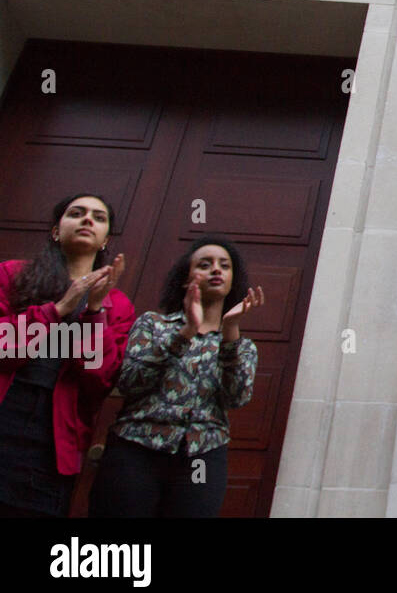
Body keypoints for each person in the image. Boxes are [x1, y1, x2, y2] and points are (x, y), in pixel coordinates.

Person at [89, 237, 261, 517]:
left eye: (224, 266)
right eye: (205, 265)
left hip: (202, 456)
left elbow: (236, 397)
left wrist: (230, 332)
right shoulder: (152, 325)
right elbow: (130, 382)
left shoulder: (242, 346)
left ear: (232, 281)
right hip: (136, 448)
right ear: (186, 280)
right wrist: (185, 334)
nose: (216, 270)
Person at [0, 193, 133, 517]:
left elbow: (98, 378)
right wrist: (59, 308)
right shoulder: (11, 274)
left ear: (105, 240)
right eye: (77, 213)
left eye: (98, 217)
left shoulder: (117, 304)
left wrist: (94, 311)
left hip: (51, 441)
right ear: (56, 231)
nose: (88, 219)